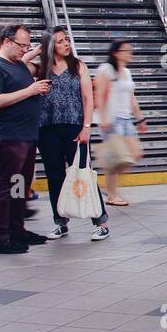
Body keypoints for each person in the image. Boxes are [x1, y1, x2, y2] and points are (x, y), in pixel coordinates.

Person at [0, 24, 51, 255]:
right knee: (5, 187)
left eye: (26, 45)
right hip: (9, 137)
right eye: (21, 45)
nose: (25, 50)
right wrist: (30, 91)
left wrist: (42, 46)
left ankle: (16, 230)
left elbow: (30, 54)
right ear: (6, 41)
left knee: (20, 187)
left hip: (27, 136)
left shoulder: (18, 63)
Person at [37, 27, 109, 241]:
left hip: (74, 127)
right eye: (59, 41)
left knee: (84, 173)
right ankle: (60, 222)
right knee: (55, 177)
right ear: (50, 46)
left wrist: (86, 126)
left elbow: (88, 98)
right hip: (46, 128)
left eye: (67, 40)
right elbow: (20, 65)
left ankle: (100, 222)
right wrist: (37, 51)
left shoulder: (78, 66)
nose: (66, 44)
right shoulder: (40, 67)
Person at [95, 40, 147, 206]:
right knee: (117, 158)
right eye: (126, 50)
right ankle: (111, 195)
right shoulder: (106, 69)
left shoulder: (126, 72)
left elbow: (132, 97)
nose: (129, 53)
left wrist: (139, 118)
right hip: (112, 119)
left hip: (126, 119)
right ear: (115, 52)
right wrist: (103, 119)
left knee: (135, 155)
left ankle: (109, 186)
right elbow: (99, 94)